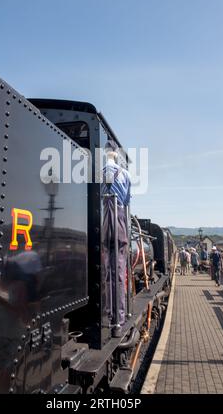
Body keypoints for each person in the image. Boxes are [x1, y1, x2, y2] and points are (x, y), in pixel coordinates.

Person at [102, 140, 131, 336]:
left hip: (104, 217)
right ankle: (119, 319)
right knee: (119, 269)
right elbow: (128, 200)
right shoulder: (126, 174)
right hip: (120, 218)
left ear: (105, 153)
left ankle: (106, 312)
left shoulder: (98, 173)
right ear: (116, 153)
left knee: (105, 268)